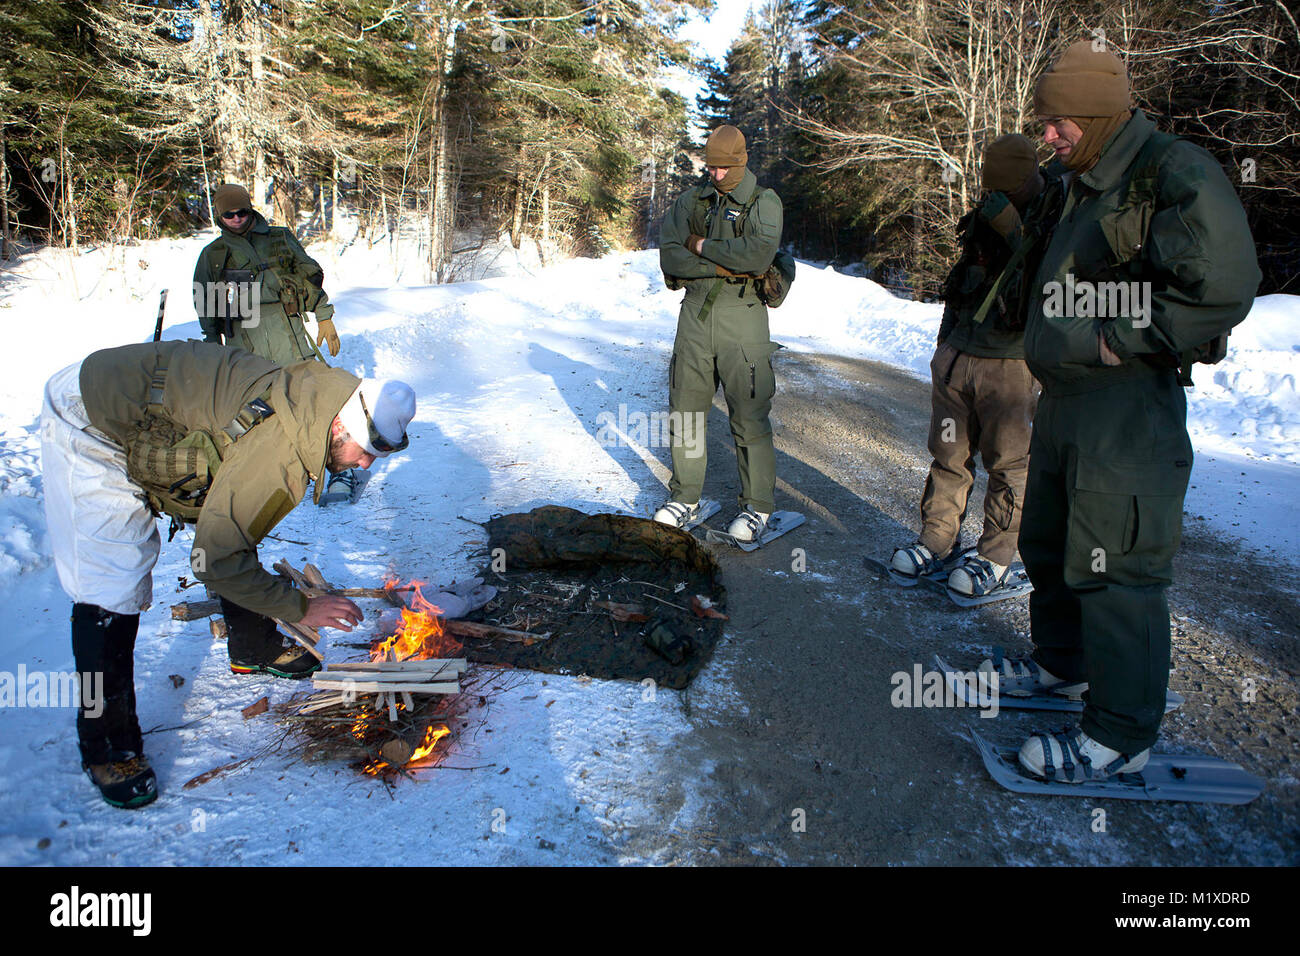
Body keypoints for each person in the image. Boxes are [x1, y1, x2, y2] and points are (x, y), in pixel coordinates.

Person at [990, 40, 1261, 782]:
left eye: (1058, 122)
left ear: (1100, 115)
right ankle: (1063, 670)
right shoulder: (1083, 177)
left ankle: (1119, 734)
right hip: (1067, 402)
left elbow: (1225, 283)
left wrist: (1119, 340)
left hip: (1126, 406)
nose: (1046, 135)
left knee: (1118, 570)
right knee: (1050, 545)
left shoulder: (1172, 171)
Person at [39, 340, 416, 808]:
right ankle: (106, 747)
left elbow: (238, 519)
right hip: (92, 416)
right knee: (111, 587)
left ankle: (251, 647)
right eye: (367, 449)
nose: (366, 464)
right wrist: (302, 606)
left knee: (236, 515)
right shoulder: (280, 450)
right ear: (341, 424)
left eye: (382, 452)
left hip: (149, 406)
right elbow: (214, 561)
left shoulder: (316, 401)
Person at [891, 134, 1064, 597]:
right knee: (948, 454)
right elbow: (961, 282)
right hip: (960, 355)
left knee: (1009, 464)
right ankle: (938, 540)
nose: (997, 195)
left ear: (1029, 177)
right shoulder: (989, 207)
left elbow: (1051, 282)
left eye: (1007, 188)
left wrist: (1015, 230)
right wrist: (943, 347)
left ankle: (996, 556)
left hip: (1012, 362)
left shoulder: (1058, 210)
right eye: (993, 188)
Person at [655, 125, 784, 542]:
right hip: (693, 313)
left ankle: (757, 506)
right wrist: (723, 262)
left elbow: (759, 254)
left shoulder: (764, 202)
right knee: (686, 411)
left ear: (740, 162)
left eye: (723, 168)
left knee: (749, 416)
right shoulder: (691, 200)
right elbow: (670, 257)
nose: (715, 174)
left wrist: (701, 247)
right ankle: (686, 496)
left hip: (742, 317)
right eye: (710, 166)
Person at [193, 183, 357, 503]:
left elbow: (308, 274)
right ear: (219, 216)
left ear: (250, 209)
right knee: (256, 406)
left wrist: (324, 315)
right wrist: (212, 344)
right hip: (244, 335)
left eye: (242, 212)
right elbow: (206, 303)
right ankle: (278, 468)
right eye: (229, 215)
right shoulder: (212, 255)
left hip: (287, 326)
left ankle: (341, 468)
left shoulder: (279, 238)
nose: (237, 219)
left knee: (315, 393)